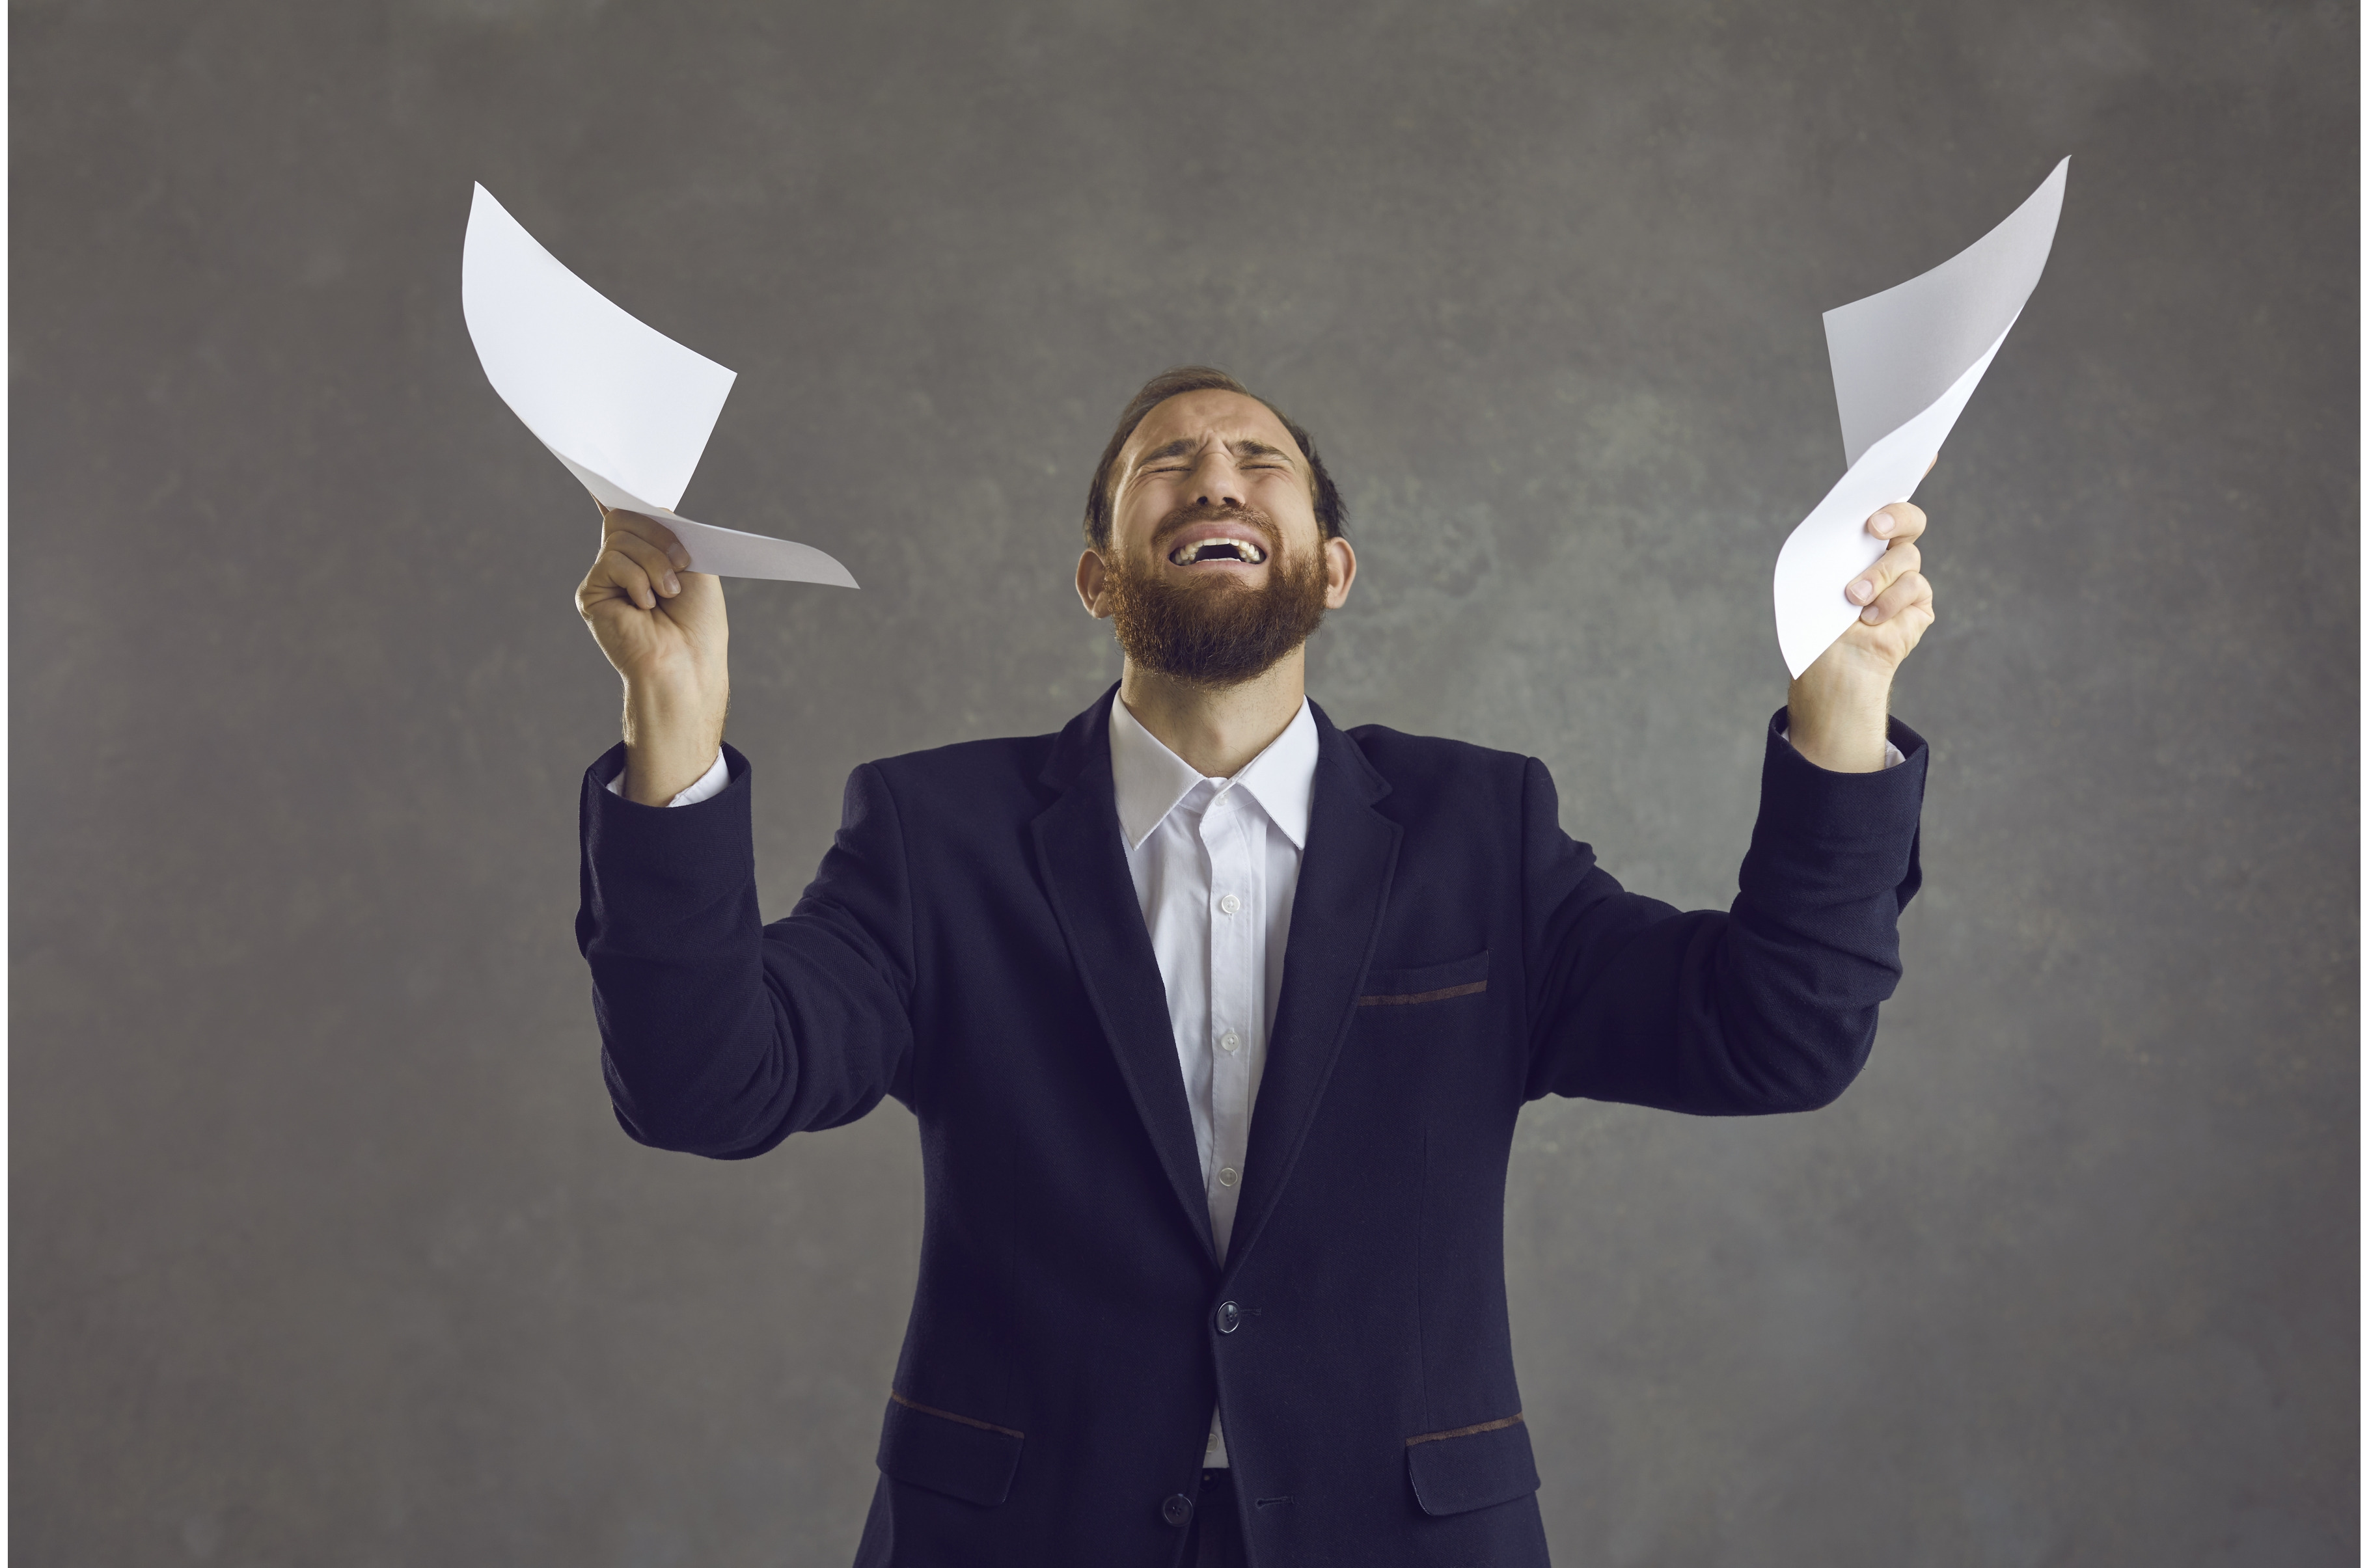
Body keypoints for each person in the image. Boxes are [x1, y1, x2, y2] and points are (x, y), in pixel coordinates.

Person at [572, 366, 1933, 1566]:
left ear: (1331, 569)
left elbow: (1773, 1035)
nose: (1214, 476)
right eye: (1165, 462)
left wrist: (1844, 711)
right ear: (1098, 577)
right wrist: (672, 729)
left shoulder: (1482, 830)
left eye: (1257, 460)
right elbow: (708, 1084)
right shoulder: (937, 836)